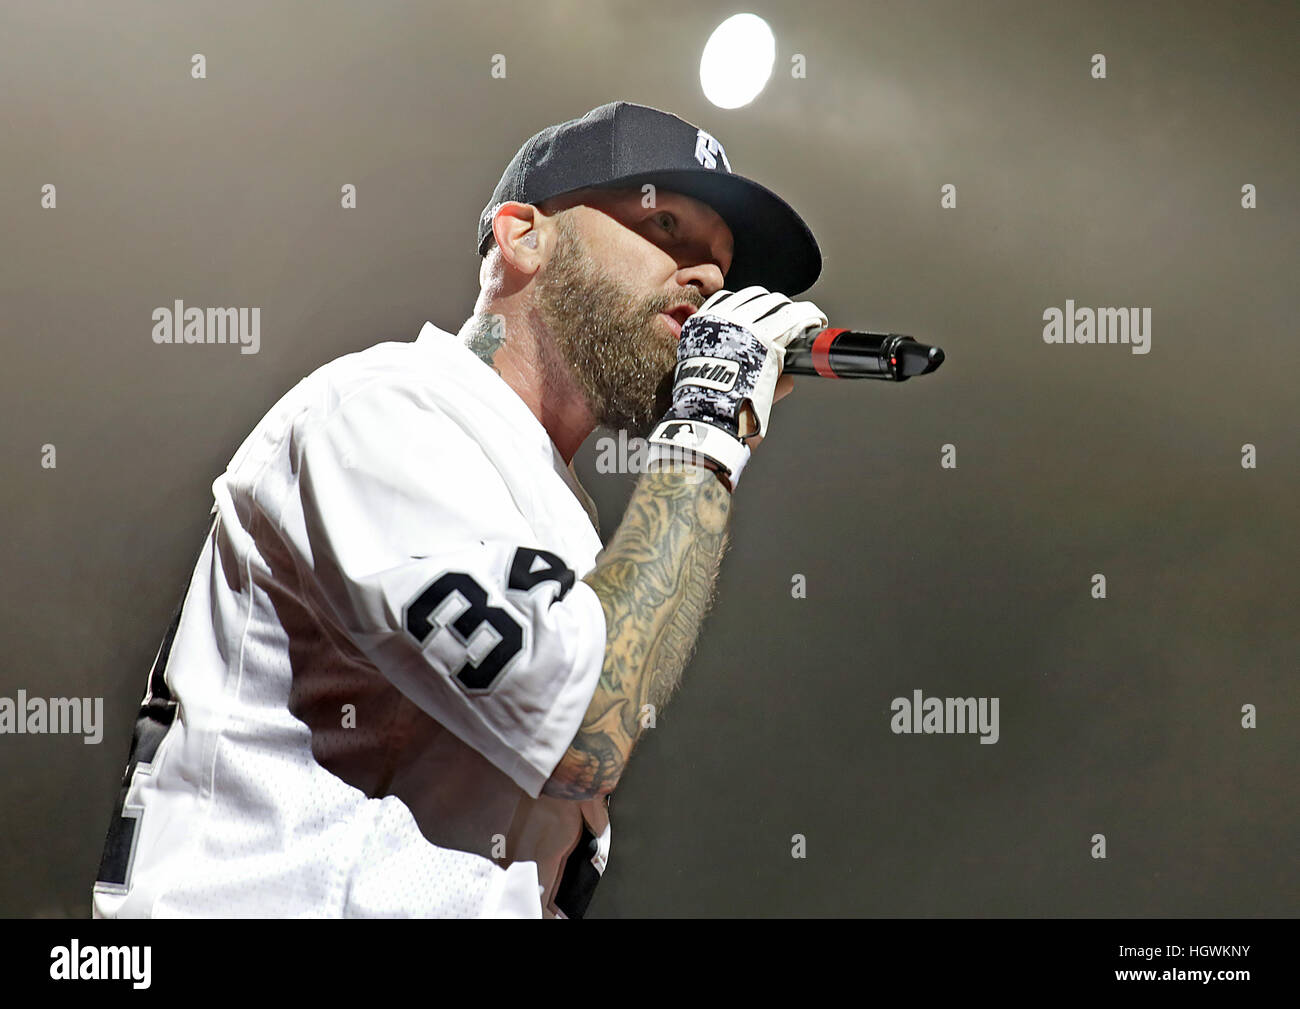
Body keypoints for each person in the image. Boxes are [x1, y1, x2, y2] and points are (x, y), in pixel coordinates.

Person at [92, 100, 826, 918]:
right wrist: (707, 437)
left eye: (723, 262)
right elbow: (583, 728)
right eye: (666, 225)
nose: (711, 280)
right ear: (522, 236)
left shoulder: (557, 513)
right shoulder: (385, 411)